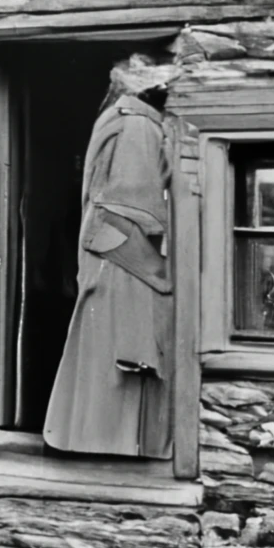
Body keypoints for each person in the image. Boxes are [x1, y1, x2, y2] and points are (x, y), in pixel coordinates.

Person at [43, 53, 179, 459]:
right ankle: (108, 447)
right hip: (124, 253)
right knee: (123, 351)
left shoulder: (122, 118)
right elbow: (132, 207)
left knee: (107, 351)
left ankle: (90, 441)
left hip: (111, 249)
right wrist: (162, 273)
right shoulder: (138, 125)